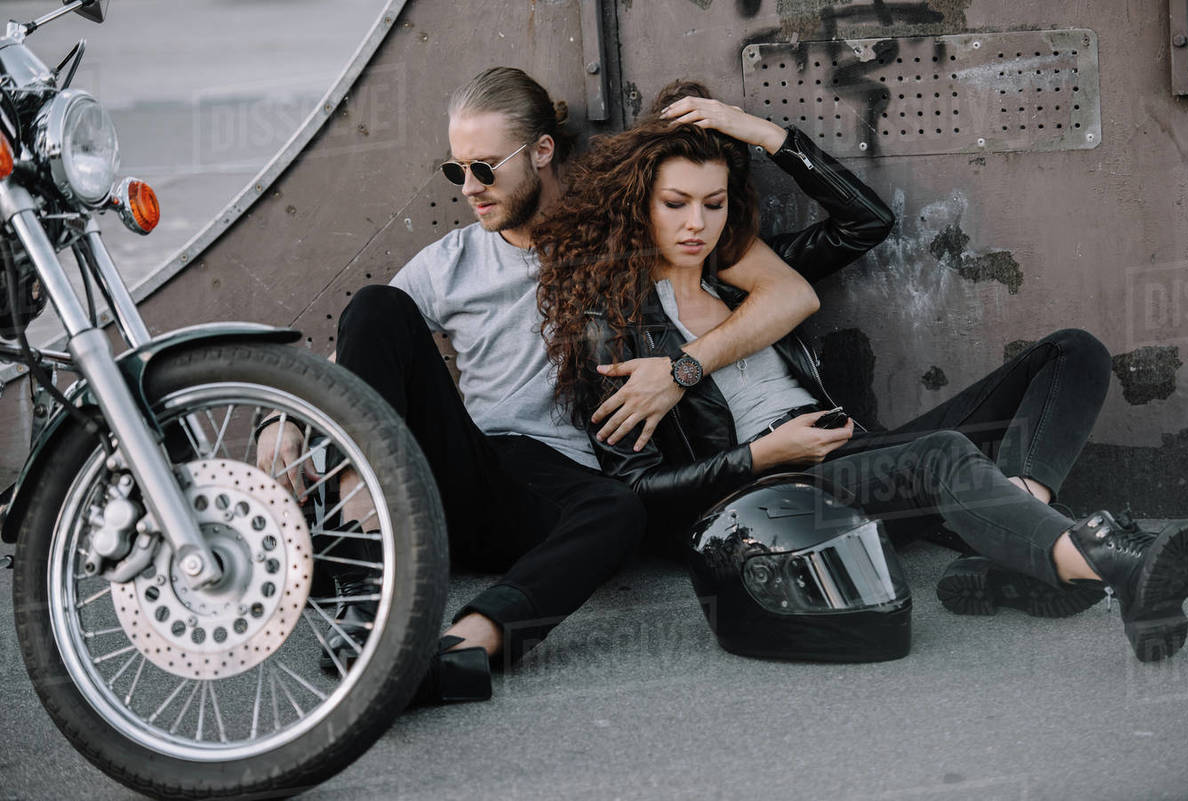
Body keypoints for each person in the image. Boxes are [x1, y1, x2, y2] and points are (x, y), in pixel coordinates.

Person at [534, 81, 1188, 663]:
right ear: (638, 203)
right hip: (780, 489)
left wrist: (763, 134)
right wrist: (761, 453)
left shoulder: (749, 278)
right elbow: (638, 493)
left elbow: (866, 222)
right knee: (944, 455)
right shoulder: (612, 322)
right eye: (676, 203)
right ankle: (1113, 567)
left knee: (1071, 351)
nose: (696, 223)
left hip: (851, 454)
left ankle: (1015, 543)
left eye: (713, 204)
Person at [257, 67, 823, 700]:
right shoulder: (453, 261)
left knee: (618, 511)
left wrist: (683, 367)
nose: (469, 188)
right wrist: (281, 419)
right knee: (376, 306)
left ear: (543, 152)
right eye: (457, 171)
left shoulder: (627, 230)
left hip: (548, 488)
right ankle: (365, 546)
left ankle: (461, 651)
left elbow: (787, 294)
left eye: (486, 168)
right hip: (457, 465)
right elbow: (358, 350)